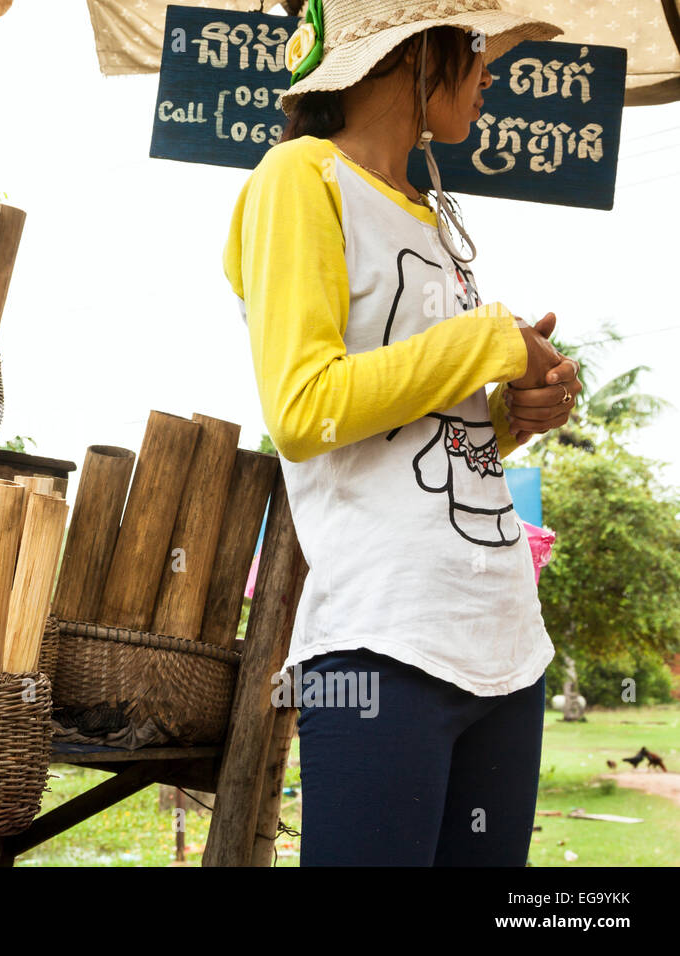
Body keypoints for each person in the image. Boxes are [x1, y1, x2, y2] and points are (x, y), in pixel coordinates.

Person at [222, 0, 585, 866]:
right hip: (378, 642)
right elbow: (304, 409)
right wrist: (490, 342)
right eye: (476, 46)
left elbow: (419, 438)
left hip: (506, 637)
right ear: (412, 50)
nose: (491, 71)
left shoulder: (430, 215)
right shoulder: (297, 177)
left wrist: (513, 414)